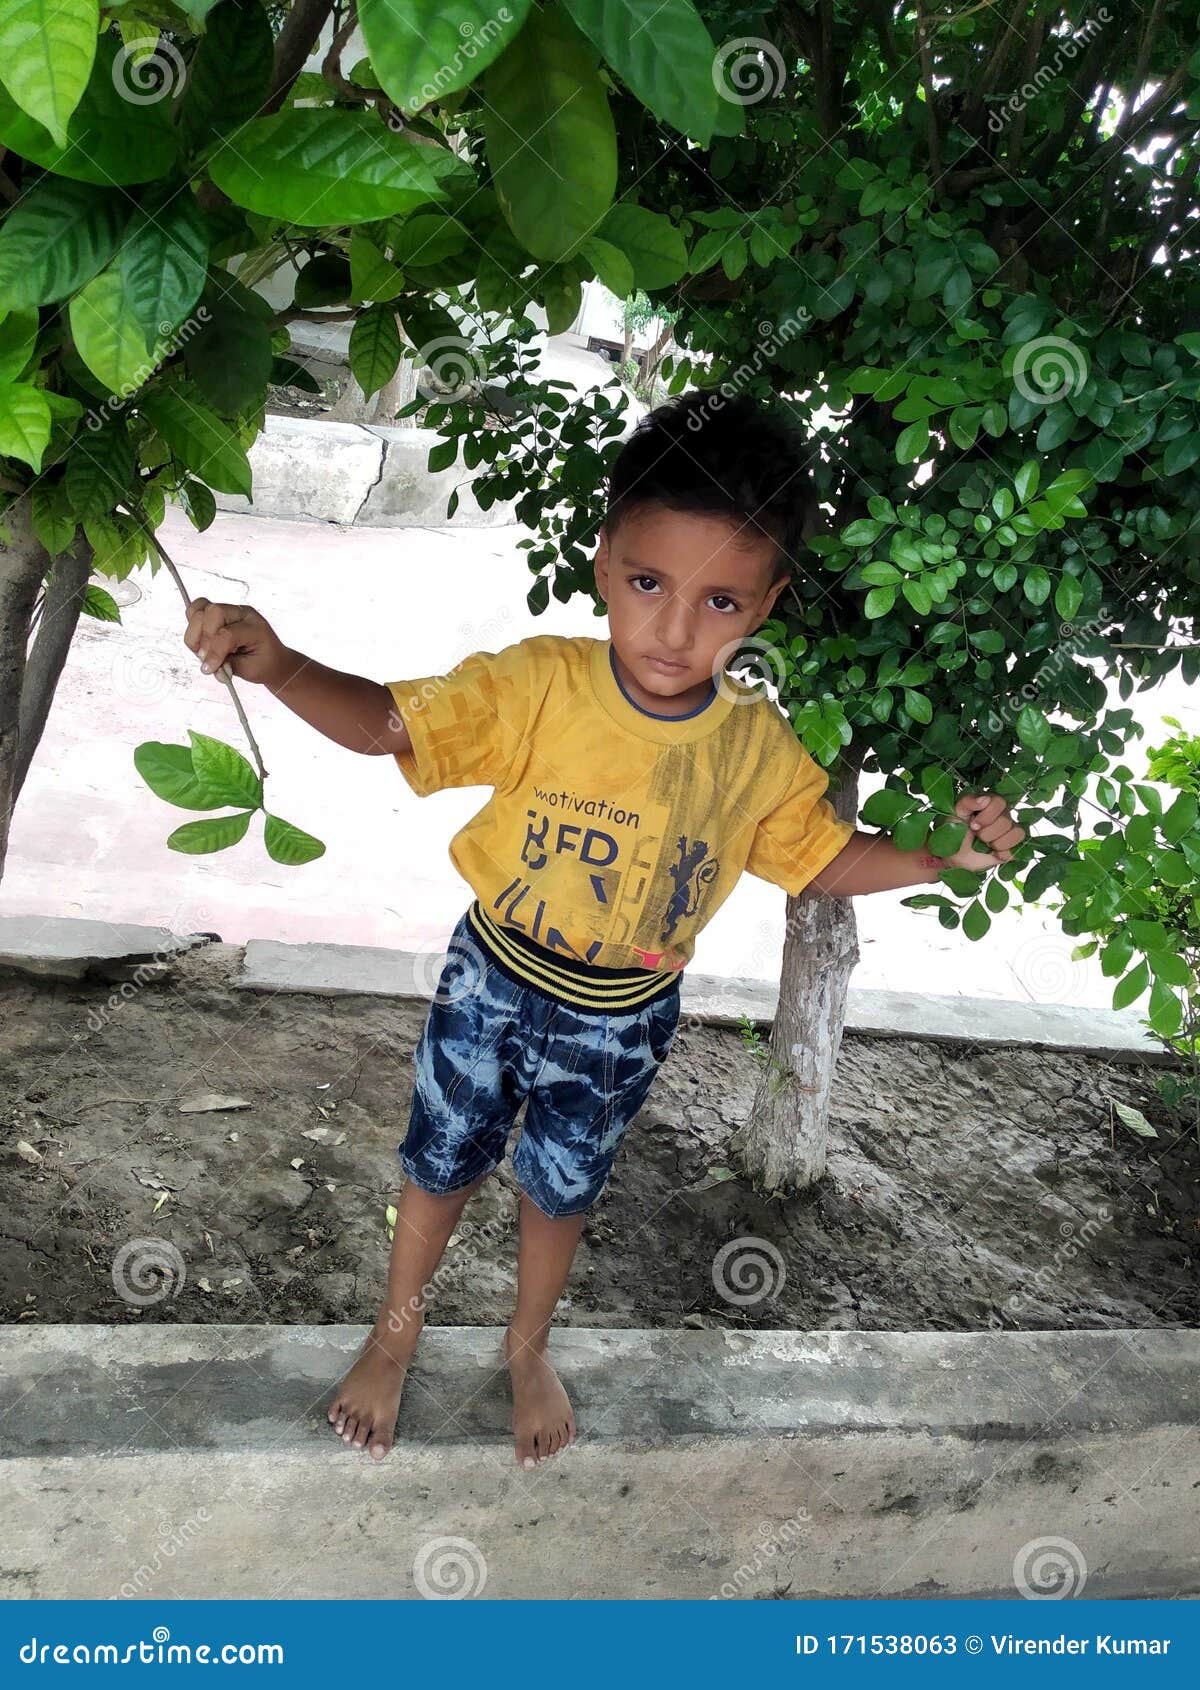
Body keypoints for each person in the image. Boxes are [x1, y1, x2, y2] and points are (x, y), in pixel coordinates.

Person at [182, 390, 1024, 1469]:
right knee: (439, 1162)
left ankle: (527, 1345)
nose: (674, 629)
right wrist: (285, 663)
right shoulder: (540, 684)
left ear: (763, 607)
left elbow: (820, 859)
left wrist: (936, 858)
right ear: (603, 566)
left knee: (562, 1186)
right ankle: (395, 1334)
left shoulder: (755, 747)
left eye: (720, 601)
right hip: (491, 979)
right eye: (647, 584)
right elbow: (392, 722)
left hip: (622, 1019)